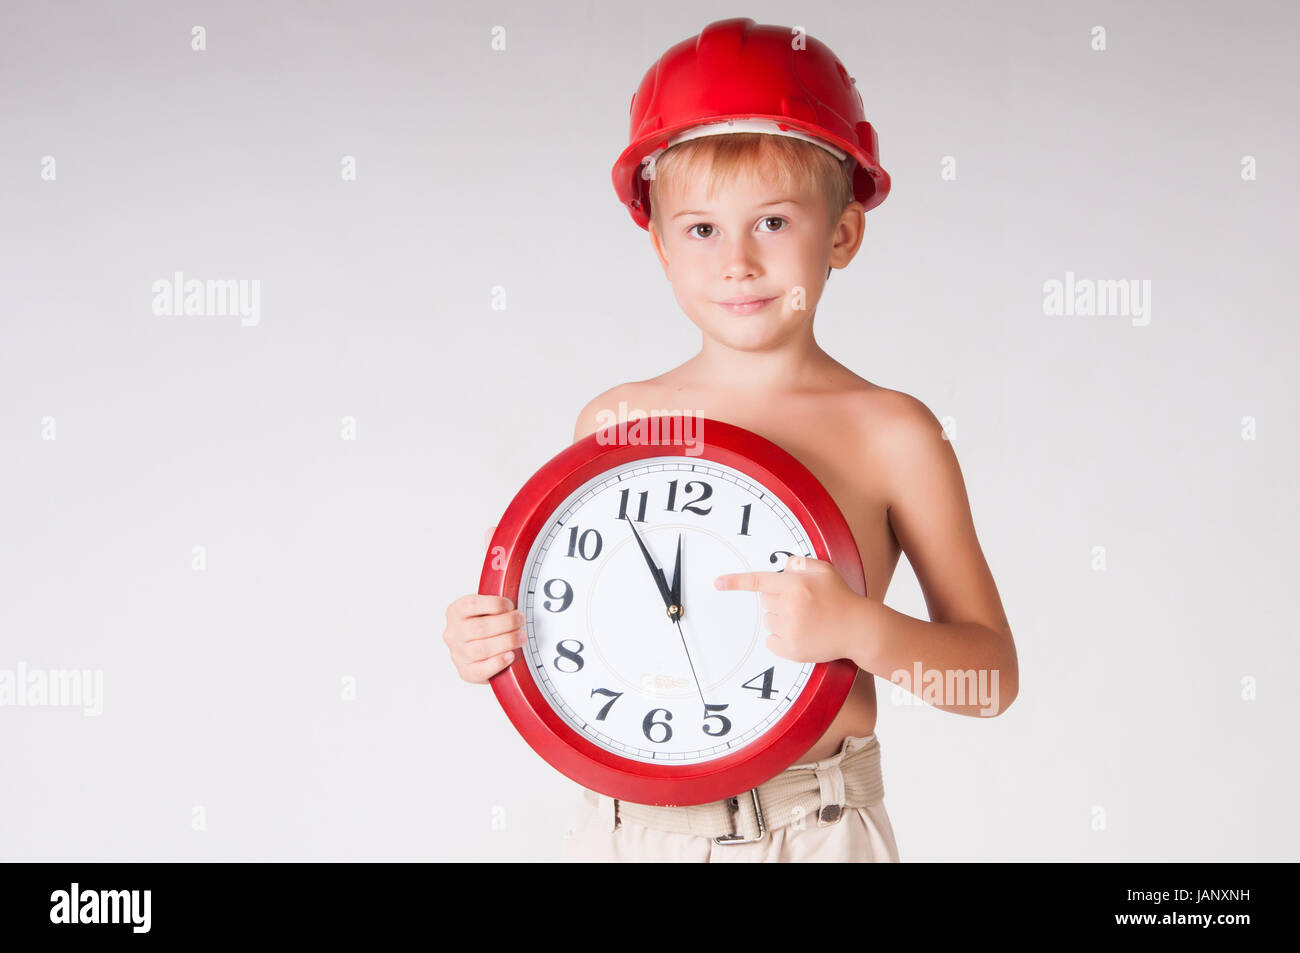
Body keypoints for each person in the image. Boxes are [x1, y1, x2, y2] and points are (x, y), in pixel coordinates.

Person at [442, 17, 1018, 862]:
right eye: (702, 229)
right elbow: (586, 631)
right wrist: (493, 643)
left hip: (813, 831)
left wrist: (860, 629)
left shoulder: (894, 433)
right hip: (625, 833)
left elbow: (989, 681)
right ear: (660, 246)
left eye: (775, 223)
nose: (738, 262)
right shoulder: (616, 422)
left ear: (843, 235)